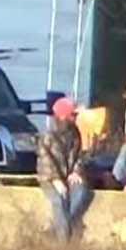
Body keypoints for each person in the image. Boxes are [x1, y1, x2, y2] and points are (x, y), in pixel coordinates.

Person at [38, 96, 95, 240]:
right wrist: (56, 180)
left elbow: (79, 156)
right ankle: (63, 241)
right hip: (50, 178)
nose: (75, 117)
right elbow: (46, 161)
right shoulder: (47, 135)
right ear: (63, 116)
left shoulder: (75, 134)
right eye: (73, 115)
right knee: (59, 200)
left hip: (68, 175)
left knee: (81, 191)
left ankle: (59, 227)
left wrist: (76, 171)